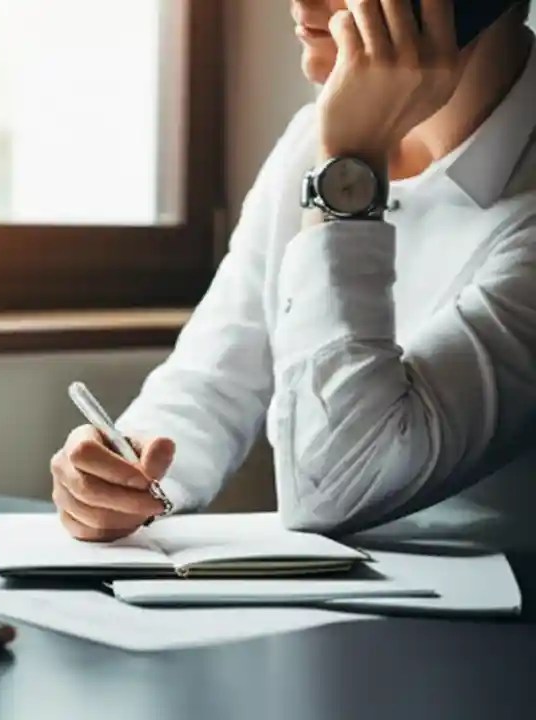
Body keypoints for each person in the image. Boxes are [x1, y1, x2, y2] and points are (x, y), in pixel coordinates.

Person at [51, 0, 536, 541]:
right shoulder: (313, 137)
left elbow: (335, 485)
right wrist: (122, 469)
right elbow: (211, 381)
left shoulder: (340, 149)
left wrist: (348, 173)